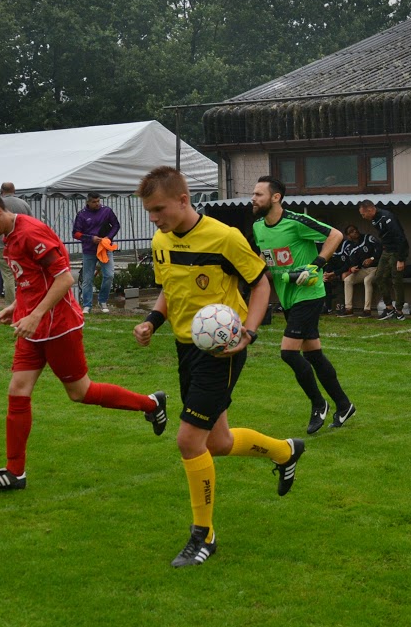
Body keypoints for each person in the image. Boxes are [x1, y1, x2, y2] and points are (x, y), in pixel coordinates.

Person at [130, 166, 303, 568]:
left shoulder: (225, 237)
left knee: (189, 441)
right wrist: (151, 323)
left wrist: (251, 331)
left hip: (221, 351)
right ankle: (284, 451)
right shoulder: (160, 240)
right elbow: (168, 291)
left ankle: (203, 535)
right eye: (150, 212)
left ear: (183, 200)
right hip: (184, 347)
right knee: (217, 443)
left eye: (159, 209)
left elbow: (261, 283)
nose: (154, 219)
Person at [0, 189, 168, 496]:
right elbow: (31, 279)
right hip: (32, 328)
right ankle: (15, 472)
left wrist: (35, 314)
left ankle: (150, 403)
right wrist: (17, 307)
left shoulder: (32, 232)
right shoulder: (9, 236)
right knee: (17, 391)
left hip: (59, 326)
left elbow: (64, 279)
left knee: (80, 392)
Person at [251, 176, 356, 433]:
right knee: (313, 355)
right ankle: (344, 405)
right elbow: (267, 264)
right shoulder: (257, 227)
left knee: (288, 352)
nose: (253, 199)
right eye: (253, 194)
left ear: (276, 197)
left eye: (259, 194)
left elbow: (335, 235)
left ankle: (318, 403)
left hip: (309, 294)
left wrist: (316, 266)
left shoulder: (296, 222)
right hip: (287, 297)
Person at [358, 200, 410, 320]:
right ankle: (389, 308)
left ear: (370, 210)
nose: (363, 216)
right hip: (386, 251)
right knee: (379, 277)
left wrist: (401, 259)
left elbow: (400, 237)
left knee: (396, 280)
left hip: (396, 251)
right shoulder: (374, 219)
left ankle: (399, 311)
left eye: (363, 214)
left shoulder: (387, 217)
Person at [72, 193, 121, 314]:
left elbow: (116, 225)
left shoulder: (107, 211)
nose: (97, 203)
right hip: (89, 251)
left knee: (109, 275)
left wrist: (108, 238)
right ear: (88, 202)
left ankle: (102, 301)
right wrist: (90, 238)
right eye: (94, 202)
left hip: (105, 249)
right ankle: (87, 305)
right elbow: (76, 233)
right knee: (87, 279)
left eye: (98, 201)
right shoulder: (81, 214)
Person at [334, 226, 379, 314]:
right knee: (348, 280)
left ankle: (367, 309)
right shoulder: (350, 246)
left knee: (367, 280)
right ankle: (348, 308)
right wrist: (351, 268)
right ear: (348, 236)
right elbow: (352, 261)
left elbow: (380, 249)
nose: (355, 231)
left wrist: (372, 258)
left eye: (355, 229)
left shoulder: (367, 238)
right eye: (352, 231)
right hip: (363, 270)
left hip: (376, 268)